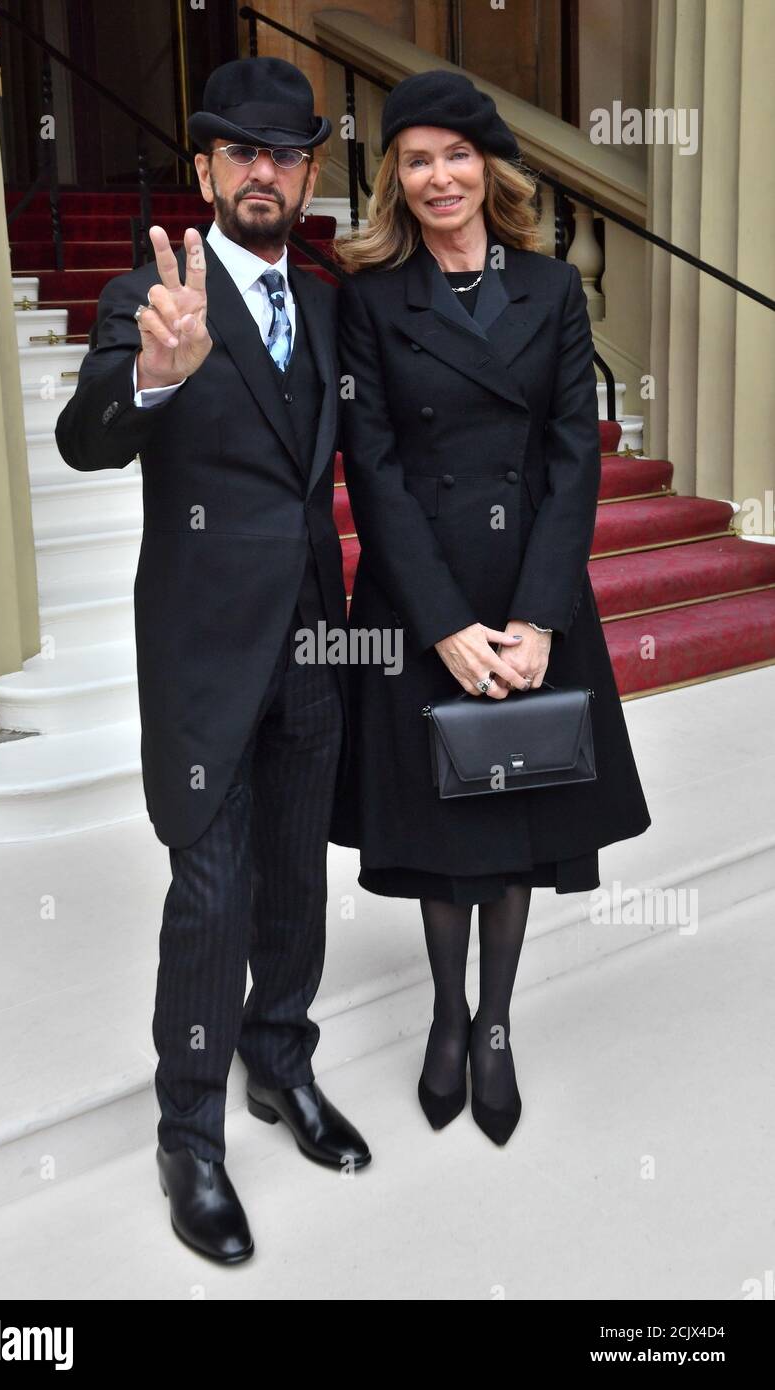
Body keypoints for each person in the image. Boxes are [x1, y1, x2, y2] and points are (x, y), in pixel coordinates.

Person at [55, 56, 370, 1265]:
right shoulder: (150, 294)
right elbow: (86, 439)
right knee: (213, 895)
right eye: (238, 151)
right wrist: (150, 376)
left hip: (313, 639)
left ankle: (279, 1061)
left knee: (295, 880)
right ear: (202, 169)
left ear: (304, 173)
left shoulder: (331, 305)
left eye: (283, 152)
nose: (262, 170)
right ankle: (189, 1133)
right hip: (199, 656)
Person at [330, 70, 651, 1147]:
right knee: (443, 829)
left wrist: (542, 619)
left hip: (533, 593)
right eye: (414, 160)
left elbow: (572, 460)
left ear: (488, 166)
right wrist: (444, 628)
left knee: (511, 823)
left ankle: (497, 1024)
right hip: (427, 594)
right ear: (393, 180)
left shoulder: (553, 291)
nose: (437, 178)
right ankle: (444, 1013)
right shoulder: (369, 299)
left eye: (454, 155)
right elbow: (370, 467)